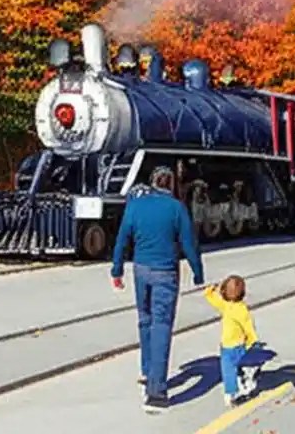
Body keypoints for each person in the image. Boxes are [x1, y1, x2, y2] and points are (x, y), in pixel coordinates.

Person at [111, 166, 205, 414]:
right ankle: (157, 392)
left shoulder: (136, 206)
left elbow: (122, 239)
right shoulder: (176, 208)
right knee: (162, 325)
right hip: (165, 272)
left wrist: (117, 270)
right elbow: (188, 243)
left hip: (141, 270)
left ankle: (147, 371)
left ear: (152, 183)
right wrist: (197, 271)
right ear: (171, 185)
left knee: (145, 320)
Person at [205, 274, 261, 407]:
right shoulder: (241, 309)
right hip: (239, 344)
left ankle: (231, 392)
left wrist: (211, 289)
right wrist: (253, 341)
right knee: (236, 366)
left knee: (228, 369)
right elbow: (249, 326)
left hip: (227, 345)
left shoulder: (225, 305)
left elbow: (211, 298)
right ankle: (246, 377)